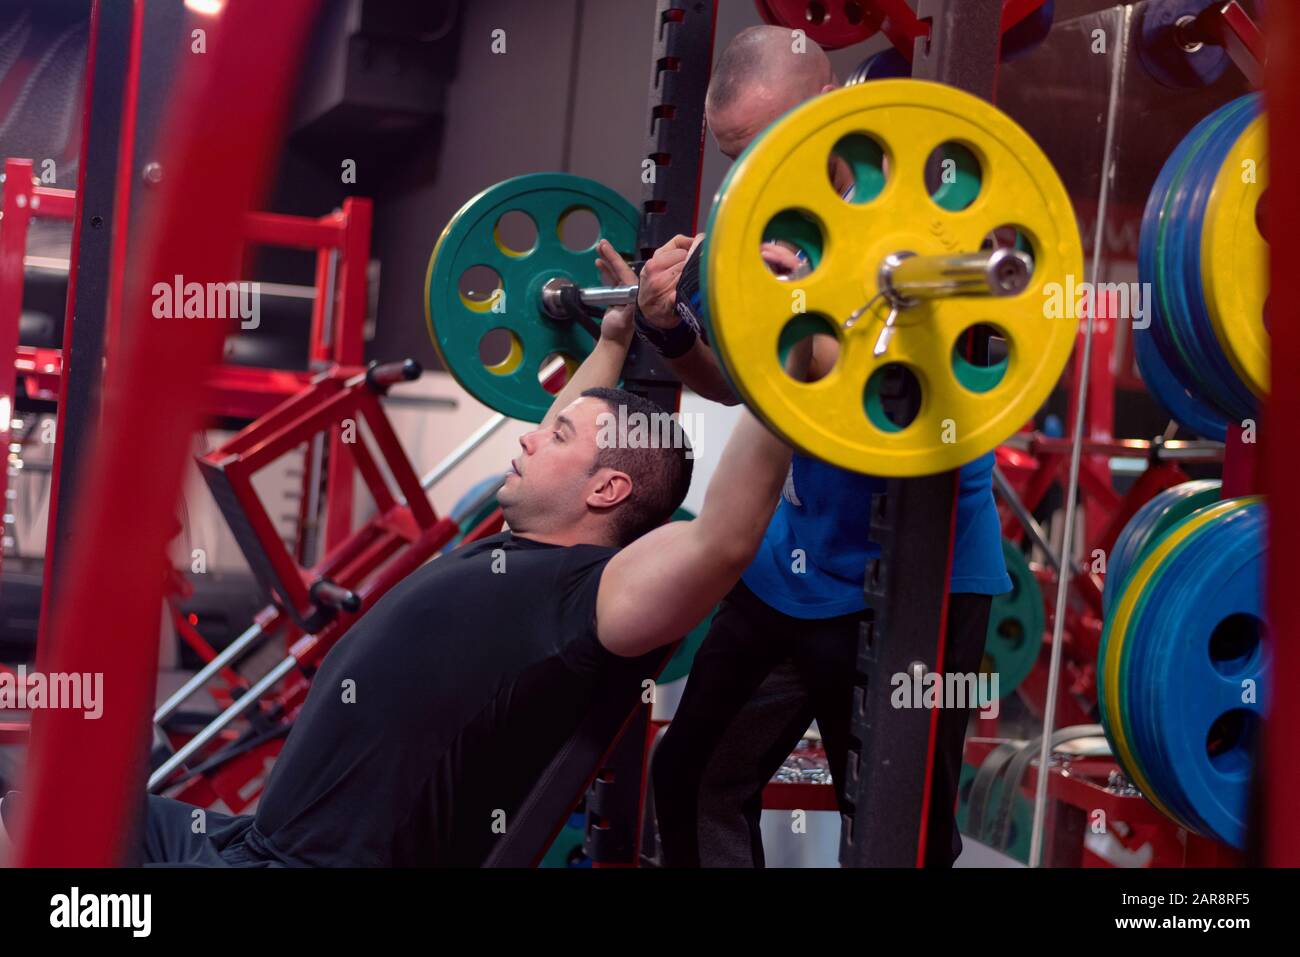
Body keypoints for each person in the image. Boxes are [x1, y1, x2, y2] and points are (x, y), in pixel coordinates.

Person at [0, 242, 812, 867]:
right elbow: (583, 417)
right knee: (43, 804)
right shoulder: (518, 548)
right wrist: (614, 329)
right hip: (247, 843)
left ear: (604, 492)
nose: (531, 432)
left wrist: (788, 329)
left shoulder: (591, 598)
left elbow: (724, 537)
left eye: (556, 435)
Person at [641, 26, 1012, 868]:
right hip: (791, 555)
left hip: (921, 565)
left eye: (772, 141)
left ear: (832, 102)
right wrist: (670, 330)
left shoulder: (929, 200)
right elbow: (744, 384)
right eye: (734, 151)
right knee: (691, 775)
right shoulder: (761, 212)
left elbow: (885, 407)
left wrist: (802, 298)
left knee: (890, 830)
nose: (752, 168)